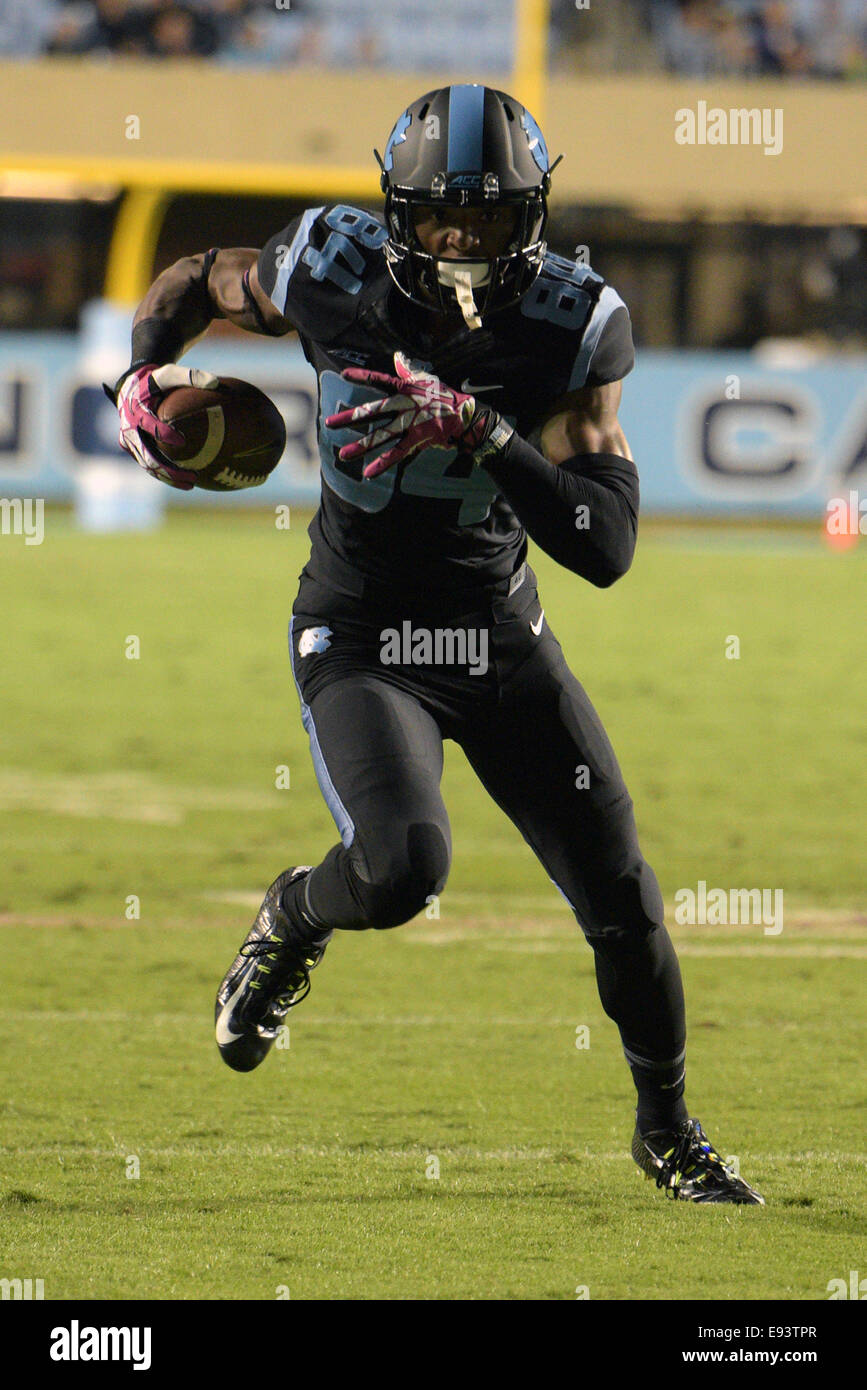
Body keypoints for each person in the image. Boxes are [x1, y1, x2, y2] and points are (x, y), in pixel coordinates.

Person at [111, 84, 763, 1204]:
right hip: (359, 630)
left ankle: (667, 1128)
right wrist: (134, 375)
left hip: (496, 632)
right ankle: (293, 914)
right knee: (406, 867)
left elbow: (603, 547)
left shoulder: (572, 322)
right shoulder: (328, 262)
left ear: (536, 217)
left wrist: (493, 434)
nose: (461, 243)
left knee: (623, 892)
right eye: (439, 219)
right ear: (395, 214)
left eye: (490, 220)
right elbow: (197, 279)